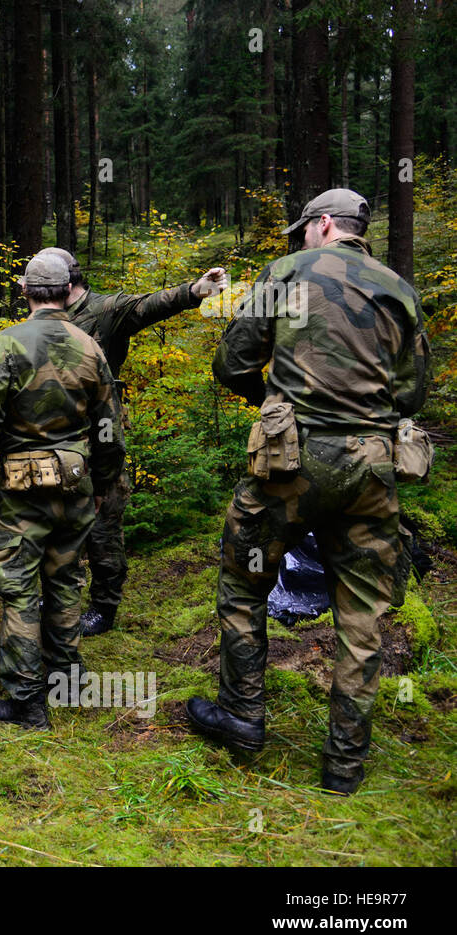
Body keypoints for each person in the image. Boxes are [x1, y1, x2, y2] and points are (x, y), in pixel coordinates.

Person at [186, 188, 430, 795]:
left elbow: (232, 360)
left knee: (243, 584)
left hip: (289, 463)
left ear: (324, 225)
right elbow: (413, 394)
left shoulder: (286, 272)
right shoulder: (398, 287)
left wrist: (273, 401)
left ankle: (243, 717)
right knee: (364, 615)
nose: (301, 239)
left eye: (305, 229)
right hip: (371, 466)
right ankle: (344, 765)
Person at [0, 252, 124, 727]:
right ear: (68, 287)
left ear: (25, 290)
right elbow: (108, 427)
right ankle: (67, 680)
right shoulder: (90, 346)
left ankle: (26, 700)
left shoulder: (7, 344)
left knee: (18, 587)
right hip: (76, 482)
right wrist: (104, 483)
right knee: (66, 578)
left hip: (22, 485)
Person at [39, 246, 227, 637]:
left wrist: (195, 291)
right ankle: (55, 595)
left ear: (66, 279)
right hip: (53, 438)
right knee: (52, 520)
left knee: (104, 522)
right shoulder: (42, 315)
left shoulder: (105, 310)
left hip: (99, 438)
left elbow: (151, 305)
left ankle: (103, 607)